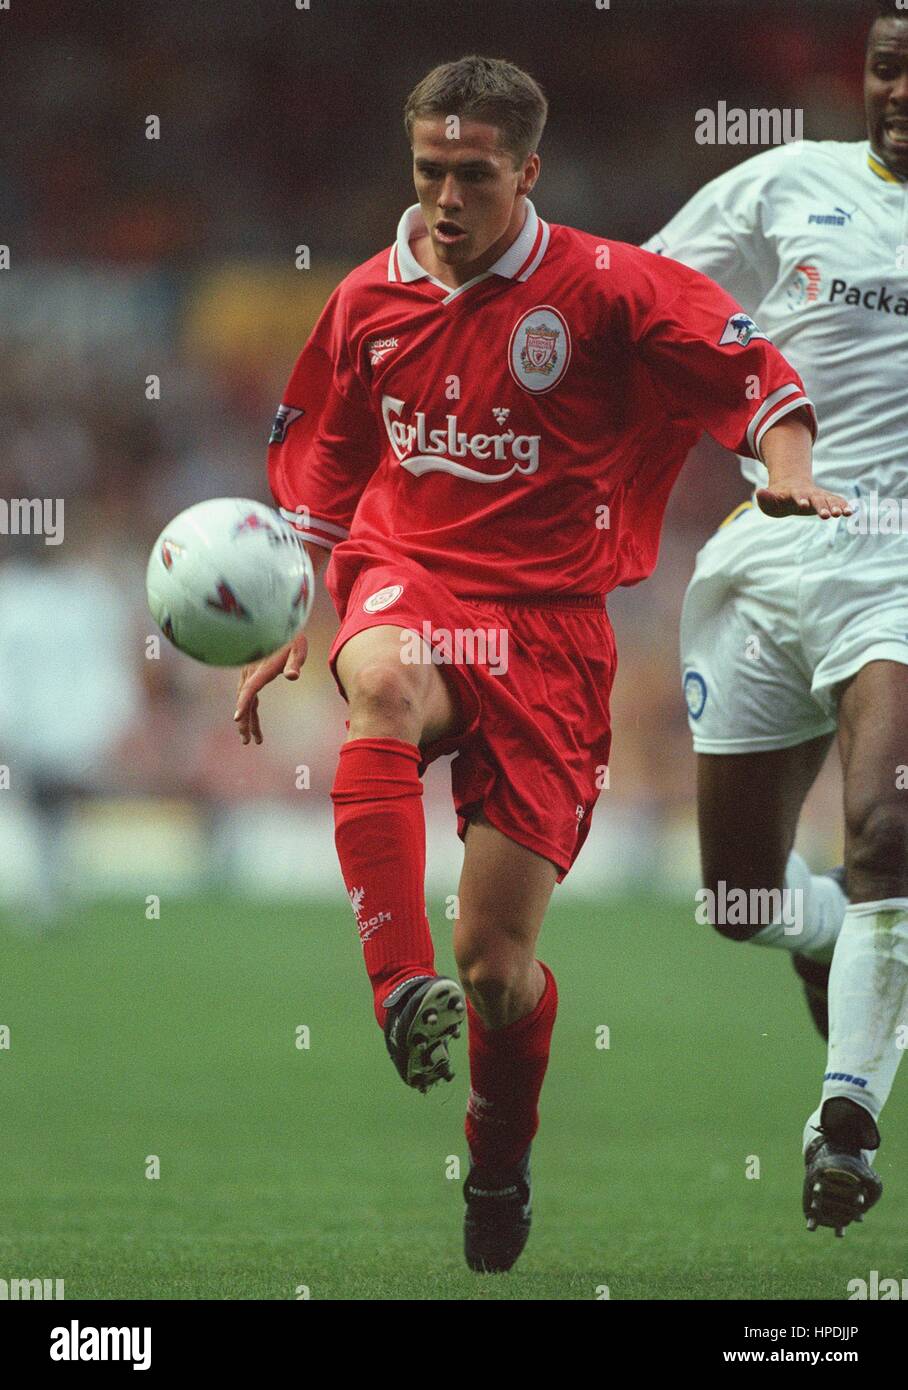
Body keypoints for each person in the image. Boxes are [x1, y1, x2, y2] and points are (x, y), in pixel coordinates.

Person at [234, 54, 846, 1272]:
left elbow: (744, 367)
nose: (445, 197)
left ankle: (497, 1150)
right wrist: (285, 610)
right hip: (409, 576)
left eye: (471, 174)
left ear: (526, 170)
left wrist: (781, 463)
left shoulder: (610, 287)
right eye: (427, 171)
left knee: (501, 971)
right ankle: (392, 982)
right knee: (386, 684)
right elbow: (324, 465)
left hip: (554, 636)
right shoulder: (365, 300)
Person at [643, 0, 908, 1237]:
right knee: (739, 898)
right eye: (883, 69)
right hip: (770, 549)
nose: (897, 91)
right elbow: (646, 304)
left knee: (884, 829)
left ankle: (844, 1116)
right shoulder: (785, 182)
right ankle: (821, 939)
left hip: (897, 558)